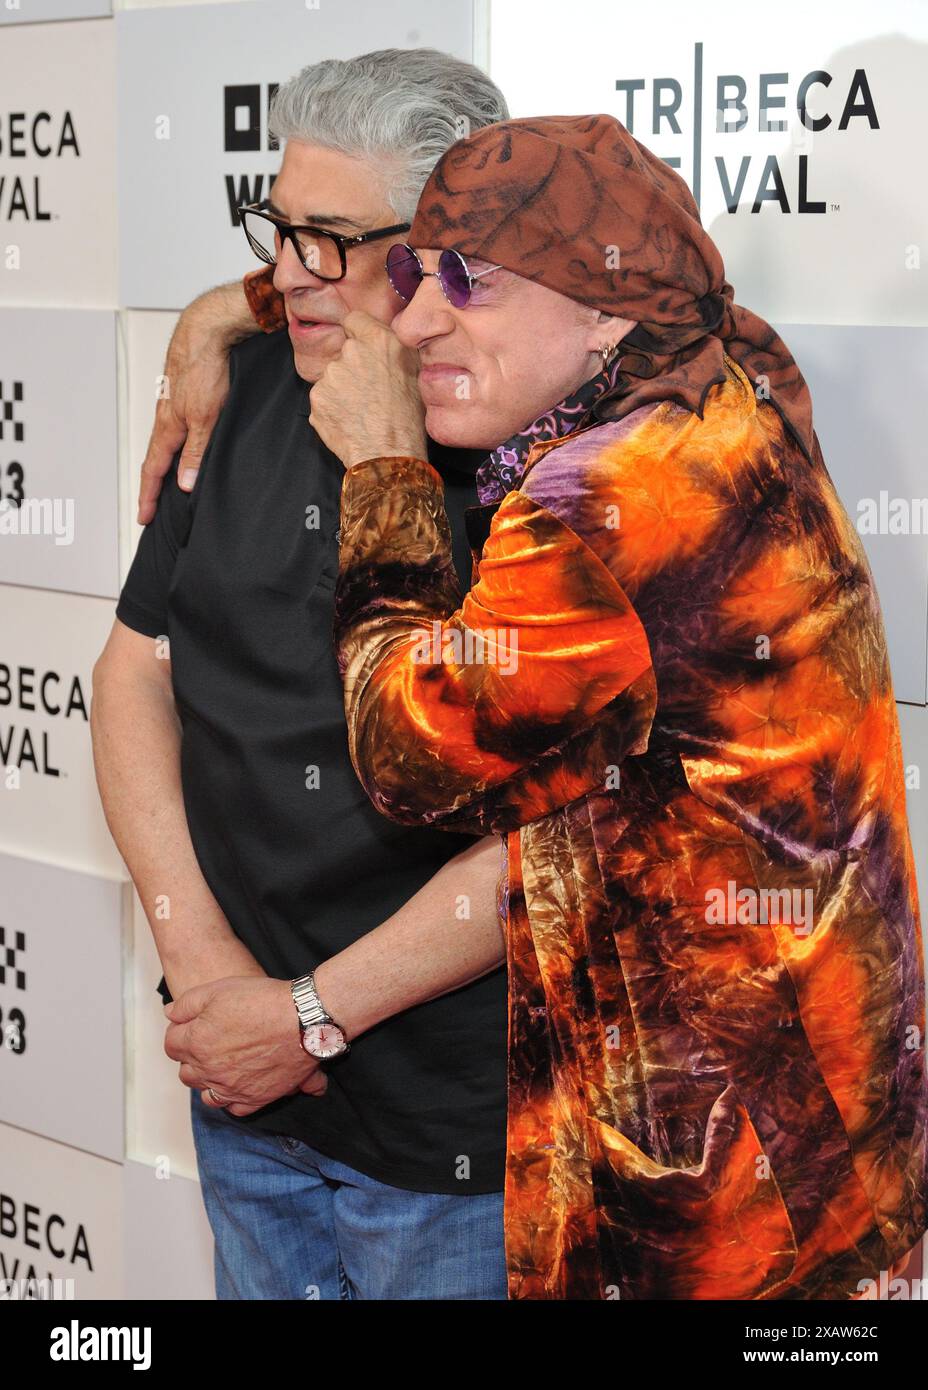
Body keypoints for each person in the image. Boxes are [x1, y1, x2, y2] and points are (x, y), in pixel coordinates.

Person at [224, 112, 928, 1300]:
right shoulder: (731, 368)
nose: (411, 321)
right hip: (822, 1150)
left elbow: (407, 754)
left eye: (471, 285)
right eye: (411, 274)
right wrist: (220, 320)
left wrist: (387, 474)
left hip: (708, 1205)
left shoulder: (599, 501)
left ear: (603, 309)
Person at [91, 49, 514, 1302]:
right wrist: (208, 963)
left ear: (447, 239)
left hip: (452, 1153)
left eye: (328, 239)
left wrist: (308, 1016)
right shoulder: (242, 382)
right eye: (279, 228)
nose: (284, 272)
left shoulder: (536, 453)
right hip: (240, 1098)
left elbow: (561, 828)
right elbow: (131, 676)